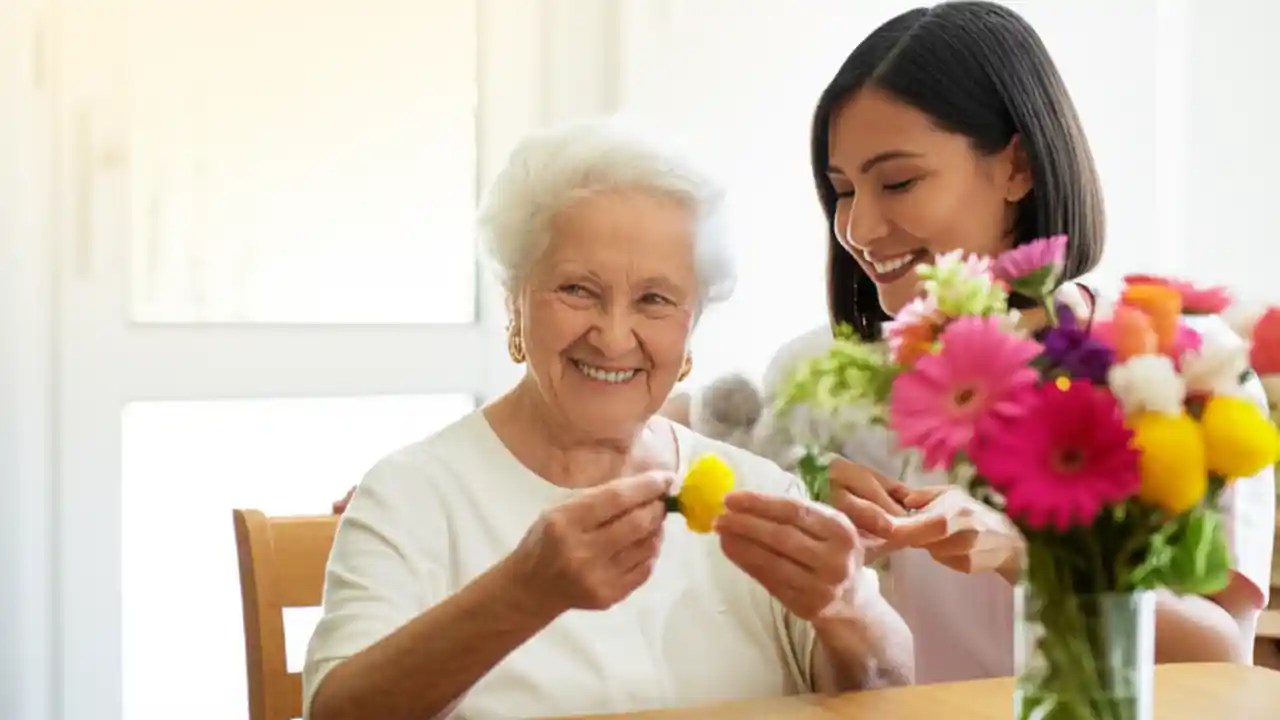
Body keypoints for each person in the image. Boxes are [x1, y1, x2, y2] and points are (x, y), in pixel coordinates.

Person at [302, 119, 914, 720]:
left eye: (654, 300)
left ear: (692, 324)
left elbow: (890, 690)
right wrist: (521, 594)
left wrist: (846, 606)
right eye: (577, 290)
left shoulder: (755, 493)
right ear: (514, 302)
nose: (615, 338)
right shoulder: (412, 495)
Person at [783, 0, 1275, 684]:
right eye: (841, 190)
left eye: (898, 181)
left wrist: (1028, 557)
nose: (859, 228)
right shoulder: (820, 378)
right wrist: (793, 492)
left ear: (1018, 166)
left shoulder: (1183, 368)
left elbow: (1223, 656)